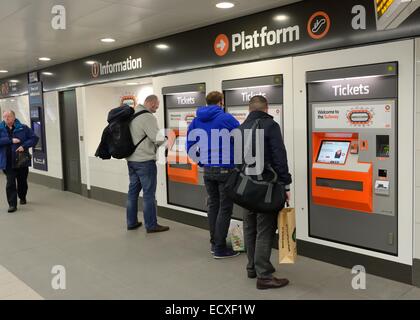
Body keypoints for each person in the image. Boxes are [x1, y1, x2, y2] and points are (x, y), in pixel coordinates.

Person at [237, 95, 292, 290]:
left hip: (245, 187)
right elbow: (279, 157)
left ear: (250, 109)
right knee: (265, 229)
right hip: (266, 187)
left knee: (249, 226)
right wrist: (286, 184)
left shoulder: (240, 128)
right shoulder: (270, 126)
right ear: (266, 108)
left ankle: (252, 267)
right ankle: (264, 276)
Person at [186, 91, 240, 259]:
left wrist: (202, 162)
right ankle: (220, 248)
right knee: (225, 208)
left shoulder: (196, 121)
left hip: (208, 170)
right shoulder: (226, 118)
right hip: (226, 169)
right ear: (221, 102)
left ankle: (214, 243)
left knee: (213, 207)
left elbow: (190, 144)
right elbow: (242, 138)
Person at [126, 95, 169, 233]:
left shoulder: (132, 113)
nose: (156, 109)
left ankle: (131, 222)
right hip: (144, 161)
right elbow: (157, 138)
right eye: (156, 106)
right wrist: (167, 139)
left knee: (132, 192)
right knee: (149, 194)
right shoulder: (147, 117)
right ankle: (151, 225)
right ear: (150, 103)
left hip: (131, 160)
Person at [0, 110, 39, 213]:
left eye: (8, 116)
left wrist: (24, 146)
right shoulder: (0, 129)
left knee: (22, 181)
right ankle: (12, 204)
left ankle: (22, 196)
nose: (6, 118)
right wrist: (10, 140)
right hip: (8, 161)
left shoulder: (23, 128)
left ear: (13, 117)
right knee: (10, 183)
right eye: (4, 117)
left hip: (21, 160)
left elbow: (34, 138)